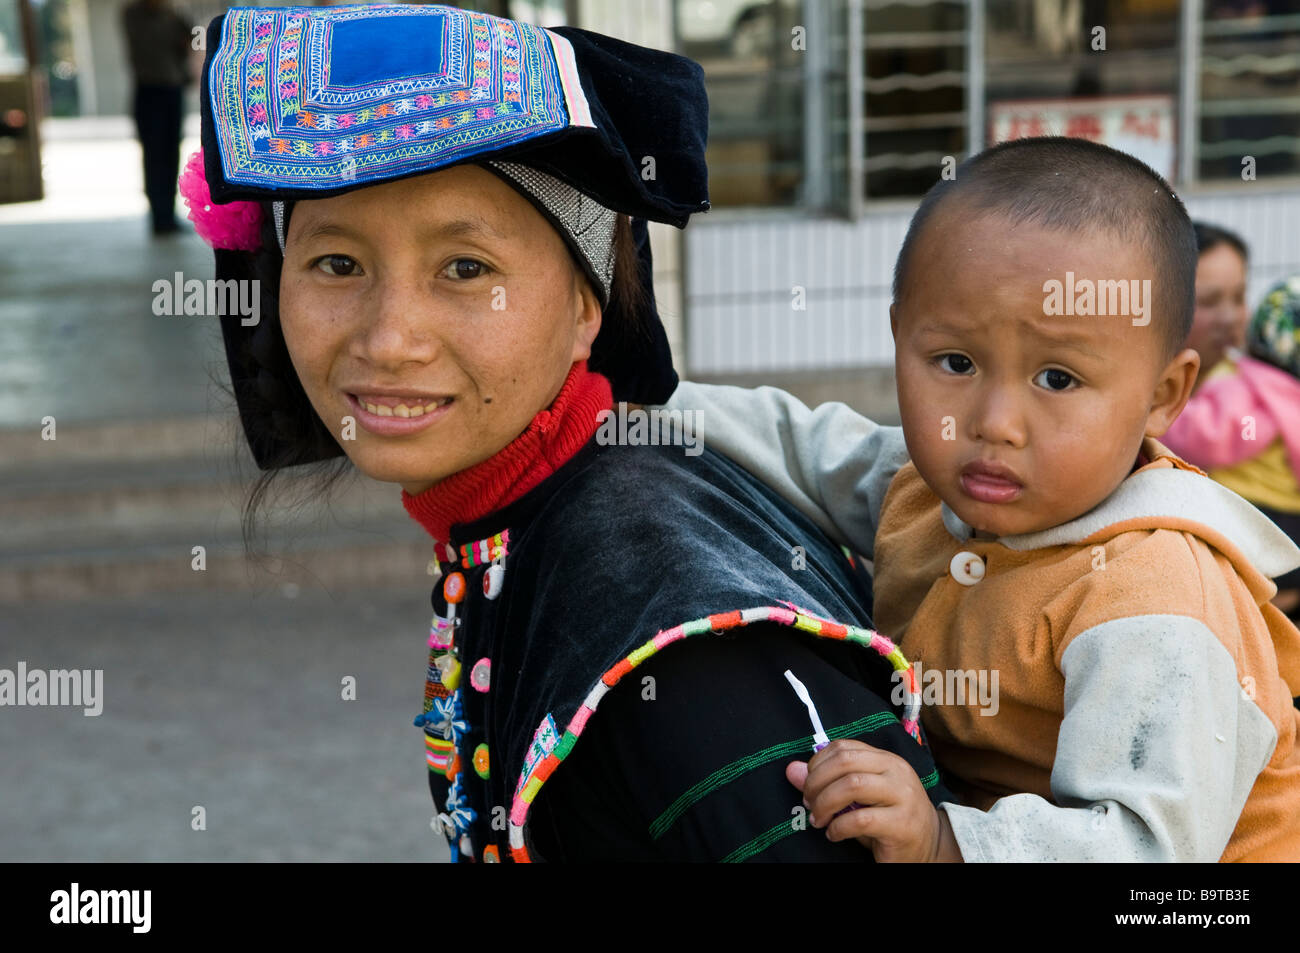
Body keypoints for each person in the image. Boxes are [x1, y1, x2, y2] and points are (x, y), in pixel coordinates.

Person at [182, 3, 951, 862]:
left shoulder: (677, 646)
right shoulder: (523, 523)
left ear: (586, 305)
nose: (388, 338)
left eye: (466, 268)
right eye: (336, 263)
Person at [664, 137, 1300, 861]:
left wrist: (946, 838)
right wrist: (645, 398)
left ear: (1163, 397)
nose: (994, 422)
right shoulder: (931, 489)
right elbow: (800, 445)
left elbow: (1144, 848)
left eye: (1057, 379)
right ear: (899, 336)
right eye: (956, 362)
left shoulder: (1153, 601)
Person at [1164, 277, 1300, 622]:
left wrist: (1169, 420)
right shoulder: (1292, 395)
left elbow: (1214, 435)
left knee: (1244, 605)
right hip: (1291, 528)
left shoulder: (1252, 388)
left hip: (1249, 516)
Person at [121, 0, 192, 235]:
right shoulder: (133, 15)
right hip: (149, 90)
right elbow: (149, 45)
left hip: (172, 89)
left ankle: (168, 215)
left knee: (171, 153)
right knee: (154, 155)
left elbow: (190, 38)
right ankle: (158, 216)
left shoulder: (172, 15)